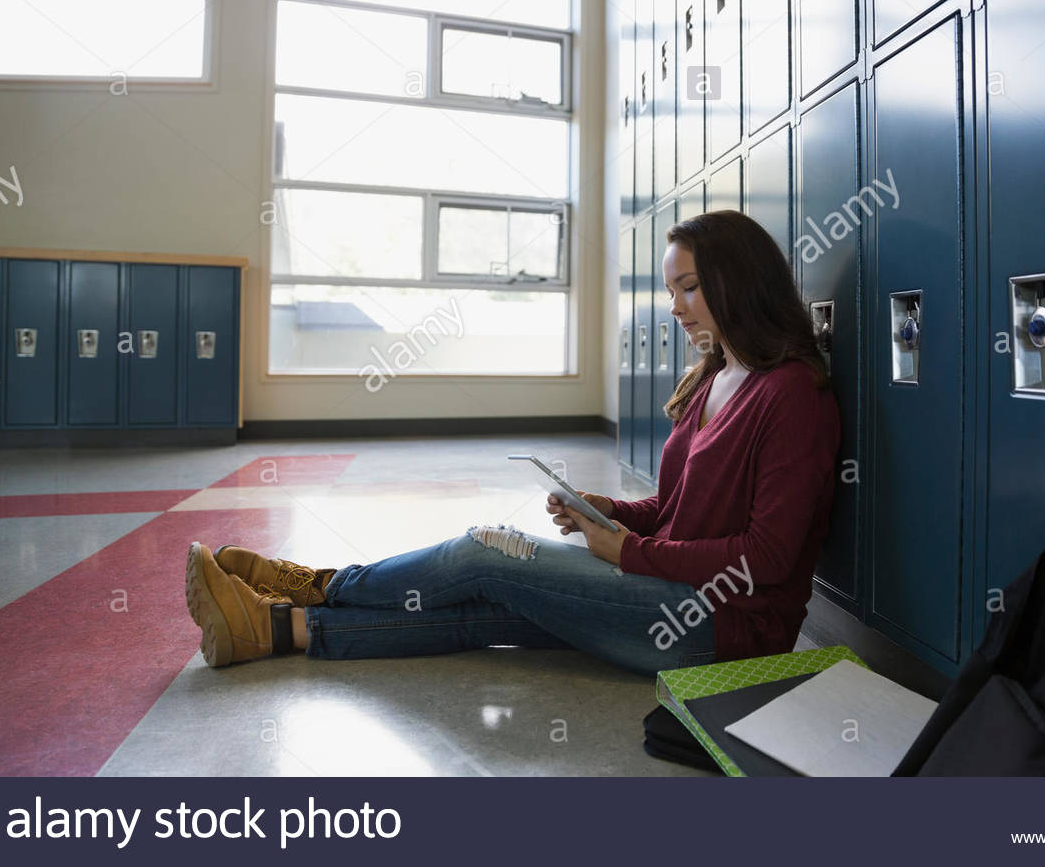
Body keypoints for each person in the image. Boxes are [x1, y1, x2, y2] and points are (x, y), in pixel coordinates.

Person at [185, 210, 841, 677]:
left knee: (488, 551)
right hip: (665, 590)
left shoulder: (792, 394)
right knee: (487, 609)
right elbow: (682, 513)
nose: (675, 307)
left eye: (690, 287)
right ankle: (275, 631)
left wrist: (631, 552)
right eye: (672, 290)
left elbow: (769, 557)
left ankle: (324, 587)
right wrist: (612, 514)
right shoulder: (714, 378)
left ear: (741, 281)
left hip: (721, 629)